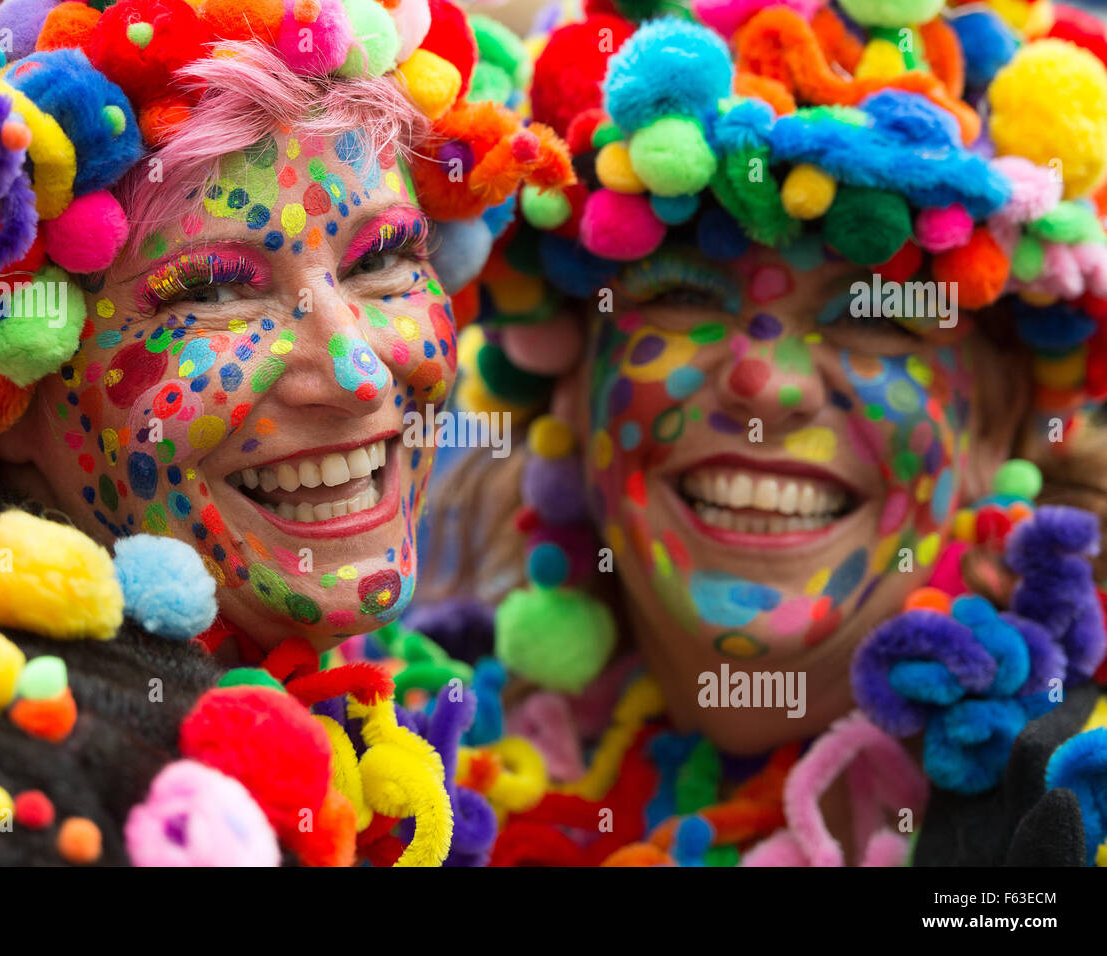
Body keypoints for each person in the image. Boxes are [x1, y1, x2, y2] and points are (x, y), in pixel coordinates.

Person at [0, 0, 570, 865]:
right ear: (11, 383)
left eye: (382, 257)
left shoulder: (409, 693)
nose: (359, 372)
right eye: (211, 291)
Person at [417, 0, 1107, 865]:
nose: (764, 383)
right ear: (565, 379)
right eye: (682, 296)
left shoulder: (1080, 804)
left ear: (995, 426)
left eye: (875, 315)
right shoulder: (403, 772)